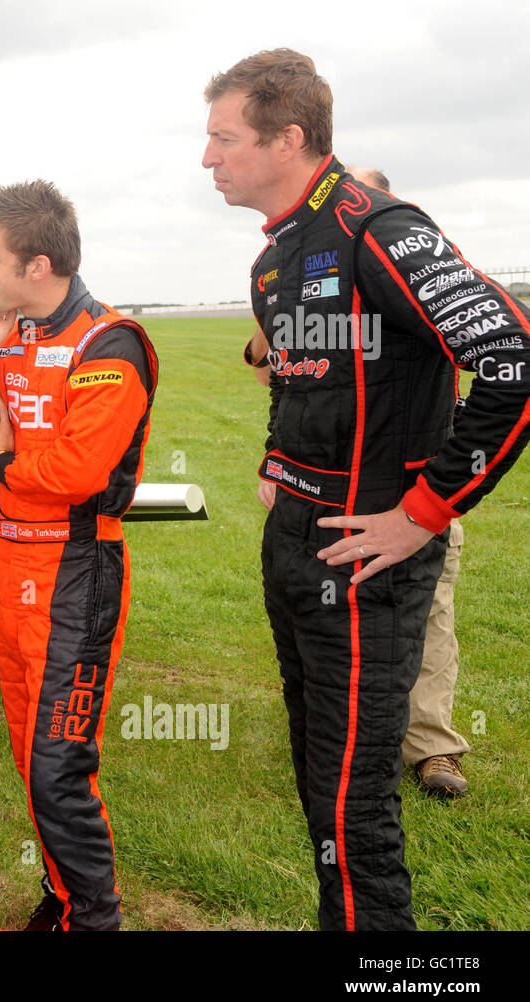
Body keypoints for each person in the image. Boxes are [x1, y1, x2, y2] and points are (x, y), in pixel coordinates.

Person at [203, 49, 530, 929]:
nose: (207, 158)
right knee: (319, 783)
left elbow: (512, 357)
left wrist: (423, 513)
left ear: (290, 138)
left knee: (354, 817)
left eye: (223, 138)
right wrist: (280, 466)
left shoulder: (379, 226)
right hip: (294, 546)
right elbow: (301, 384)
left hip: (366, 567)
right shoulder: (274, 262)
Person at [0, 181, 158, 931]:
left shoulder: (109, 342)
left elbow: (75, 474)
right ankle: (64, 893)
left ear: (38, 263)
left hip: (77, 568)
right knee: (31, 751)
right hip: (13, 566)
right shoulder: (12, 335)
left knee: (59, 762)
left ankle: (94, 915)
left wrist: (5, 466)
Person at [242, 165, 473, 799]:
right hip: (328, 493)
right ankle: (342, 744)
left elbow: (495, 356)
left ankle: (432, 749)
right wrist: (278, 457)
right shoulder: (296, 272)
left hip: (411, 491)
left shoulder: (405, 260)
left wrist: (431, 498)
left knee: (429, 616)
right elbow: (279, 369)